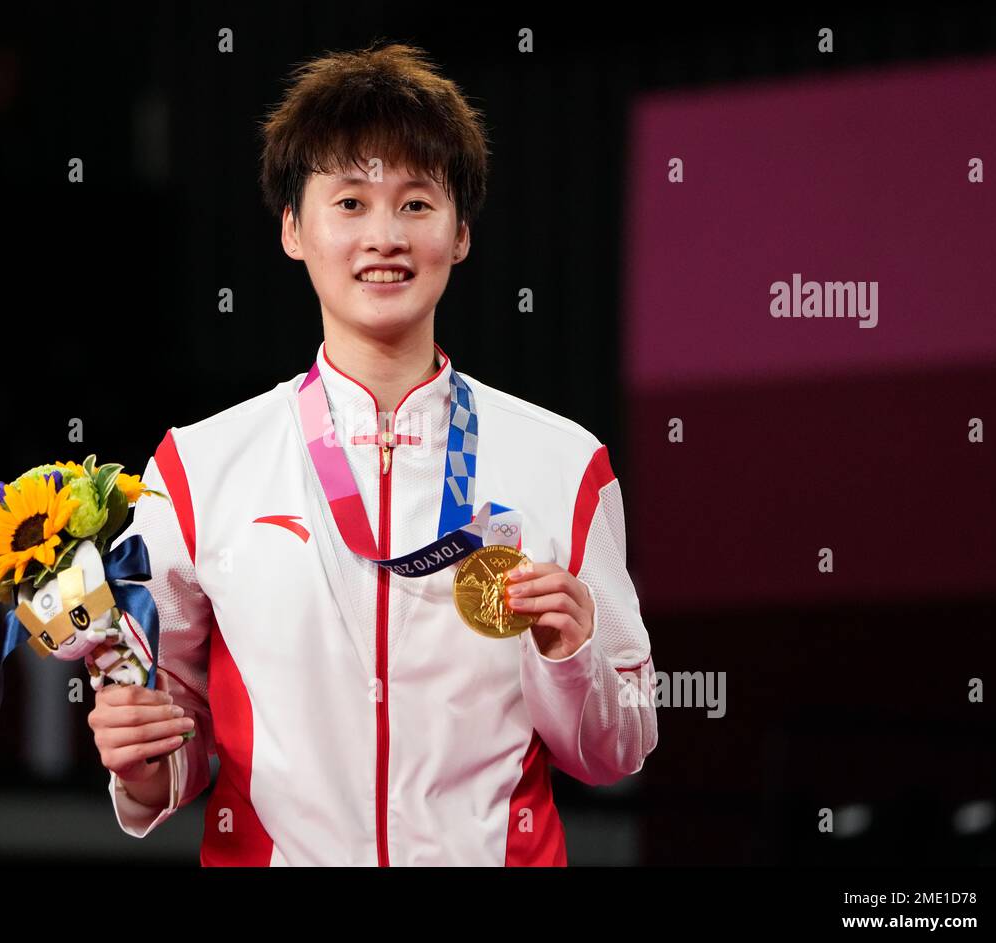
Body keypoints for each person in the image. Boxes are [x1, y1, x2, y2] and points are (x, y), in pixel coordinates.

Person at [87, 41, 657, 866]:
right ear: (292, 229)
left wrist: (569, 655)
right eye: (349, 203)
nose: (384, 237)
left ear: (461, 233)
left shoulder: (564, 463)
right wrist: (141, 762)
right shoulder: (198, 469)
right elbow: (171, 732)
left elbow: (618, 747)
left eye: (417, 205)